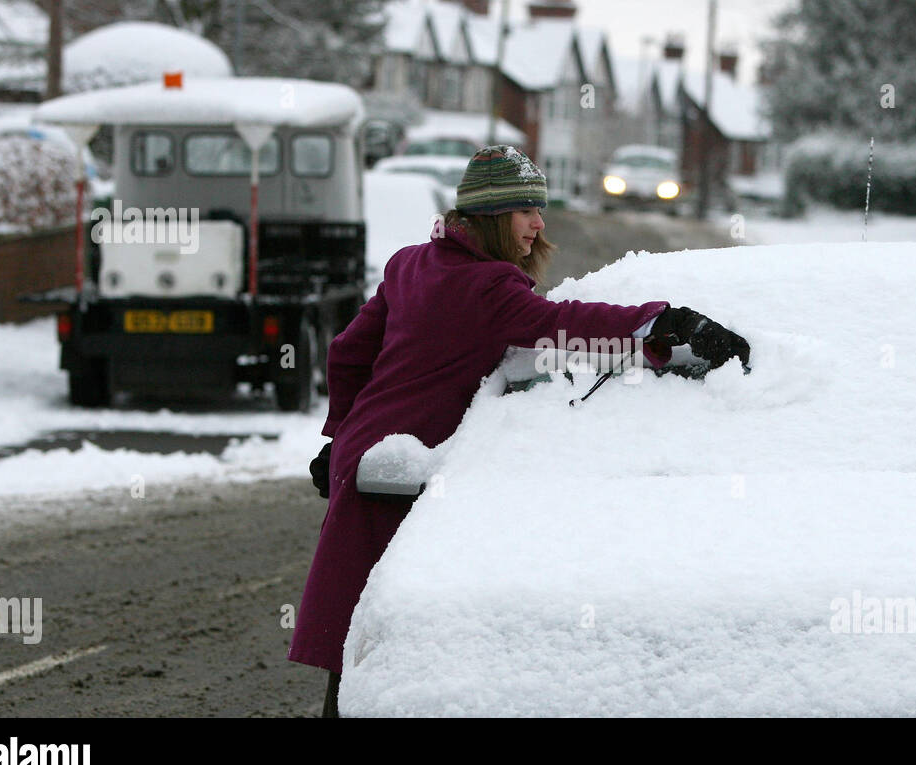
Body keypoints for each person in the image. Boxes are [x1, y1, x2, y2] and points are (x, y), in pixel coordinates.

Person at [288, 145, 749, 717]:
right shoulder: (488, 287)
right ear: (490, 215)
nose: (539, 223)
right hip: (408, 468)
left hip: (372, 455)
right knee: (377, 631)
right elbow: (563, 327)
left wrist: (340, 437)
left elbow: (349, 352)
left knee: (358, 629)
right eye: (526, 210)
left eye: (541, 208)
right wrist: (662, 322)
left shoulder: (411, 262)